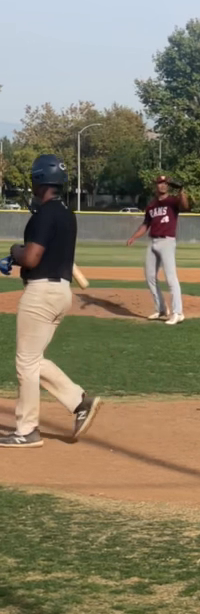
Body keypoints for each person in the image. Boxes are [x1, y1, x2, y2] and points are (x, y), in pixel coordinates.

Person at [0, 154, 101, 449]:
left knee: (25, 363)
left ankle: (27, 430)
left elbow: (31, 256)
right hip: (61, 293)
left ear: (39, 180)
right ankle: (79, 402)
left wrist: (14, 251)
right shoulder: (67, 215)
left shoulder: (43, 215)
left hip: (40, 294)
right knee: (33, 360)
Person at [127, 175, 190, 324]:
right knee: (150, 277)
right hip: (153, 241)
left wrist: (181, 191)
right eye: (159, 183)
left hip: (167, 241)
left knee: (171, 278)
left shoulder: (172, 201)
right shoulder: (152, 205)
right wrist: (134, 237)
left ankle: (178, 312)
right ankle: (161, 308)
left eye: (164, 183)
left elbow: (185, 206)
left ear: (168, 186)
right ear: (156, 186)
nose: (161, 185)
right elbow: (145, 225)